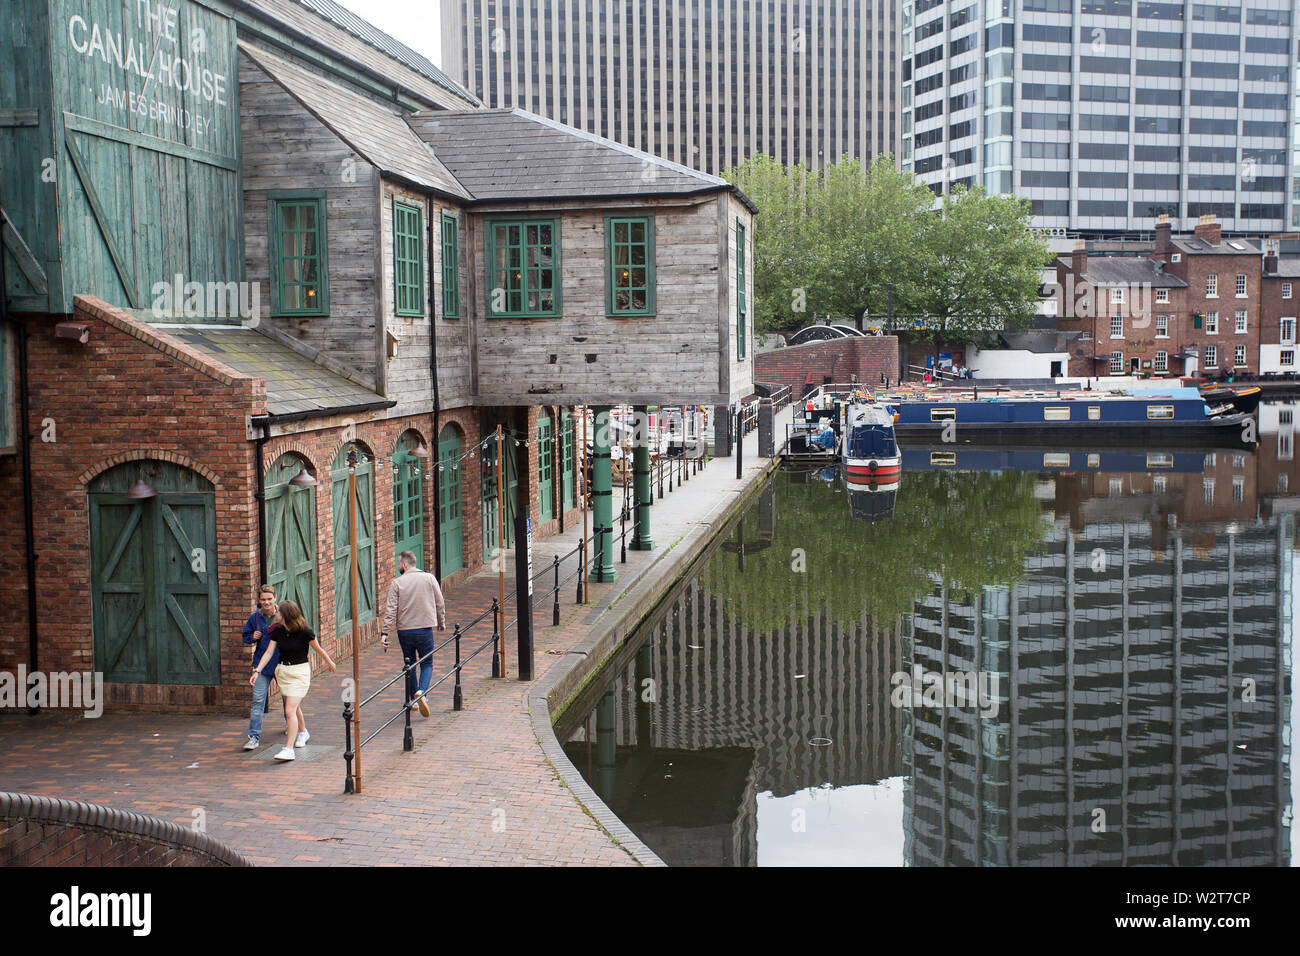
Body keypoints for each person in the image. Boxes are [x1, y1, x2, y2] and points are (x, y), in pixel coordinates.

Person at [250, 599, 336, 762]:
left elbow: (318, 649)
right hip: (283, 672)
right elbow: (268, 653)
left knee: (289, 711)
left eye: (279, 612)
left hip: (299, 673)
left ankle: (288, 749)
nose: (276, 613)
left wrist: (329, 662)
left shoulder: (305, 631)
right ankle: (303, 731)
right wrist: (257, 670)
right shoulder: (277, 631)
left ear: (286, 615)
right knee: (294, 708)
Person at [381, 552, 447, 717]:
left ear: (404, 565)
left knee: (409, 666)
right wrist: (441, 621)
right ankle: (422, 693)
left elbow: (391, 610)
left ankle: (414, 700)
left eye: (398, 563)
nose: (397, 566)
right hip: (425, 628)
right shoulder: (429, 578)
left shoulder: (397, 583)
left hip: (405, 631)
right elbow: (439, 601)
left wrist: (385, 632)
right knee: (427, 663)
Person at [241, 584, 284, 751]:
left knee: (288, 700)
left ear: (275, 598)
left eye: (269, 599)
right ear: (259, 601)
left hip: (282, 663)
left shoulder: (282, 615)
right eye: (263, 600)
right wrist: (252, 636)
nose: (266, 602)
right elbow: (245, 637)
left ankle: (293, 727)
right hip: (261, 664)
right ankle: (253, 737)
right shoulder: (255, 618)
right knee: (258, 701)